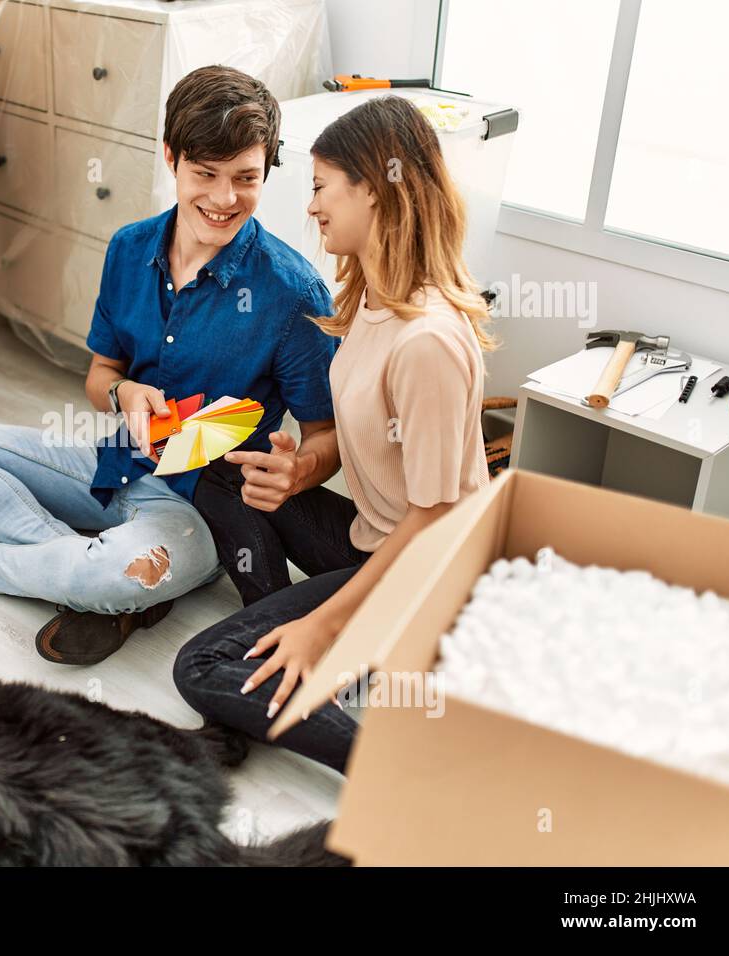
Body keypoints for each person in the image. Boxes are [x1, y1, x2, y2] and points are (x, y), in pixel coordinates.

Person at [0, 66, 338, 665]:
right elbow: (100, 376)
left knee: (124, 573)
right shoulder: (130, 249)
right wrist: (124, 395)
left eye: (246, 179)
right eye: (205, 174)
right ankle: (83, 573)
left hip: (200, 508)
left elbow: (325, 436)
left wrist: (301, 472)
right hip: (110, 461)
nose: (223, 199)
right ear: (171, 157)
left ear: (267, 171)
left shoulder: (293, 294)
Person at [175, 95, 496, 773]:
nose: (313, 206)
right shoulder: (375, 300)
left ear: (376, 190)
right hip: (370, 543)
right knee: (225, 467)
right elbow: (369, 447)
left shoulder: (428, 341)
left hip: (427, 579)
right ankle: (276, 641)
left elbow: (436, 518)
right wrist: (297, 466)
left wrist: (323, 622)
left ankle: (390, 767)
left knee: (201, 664)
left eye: (322, 188)